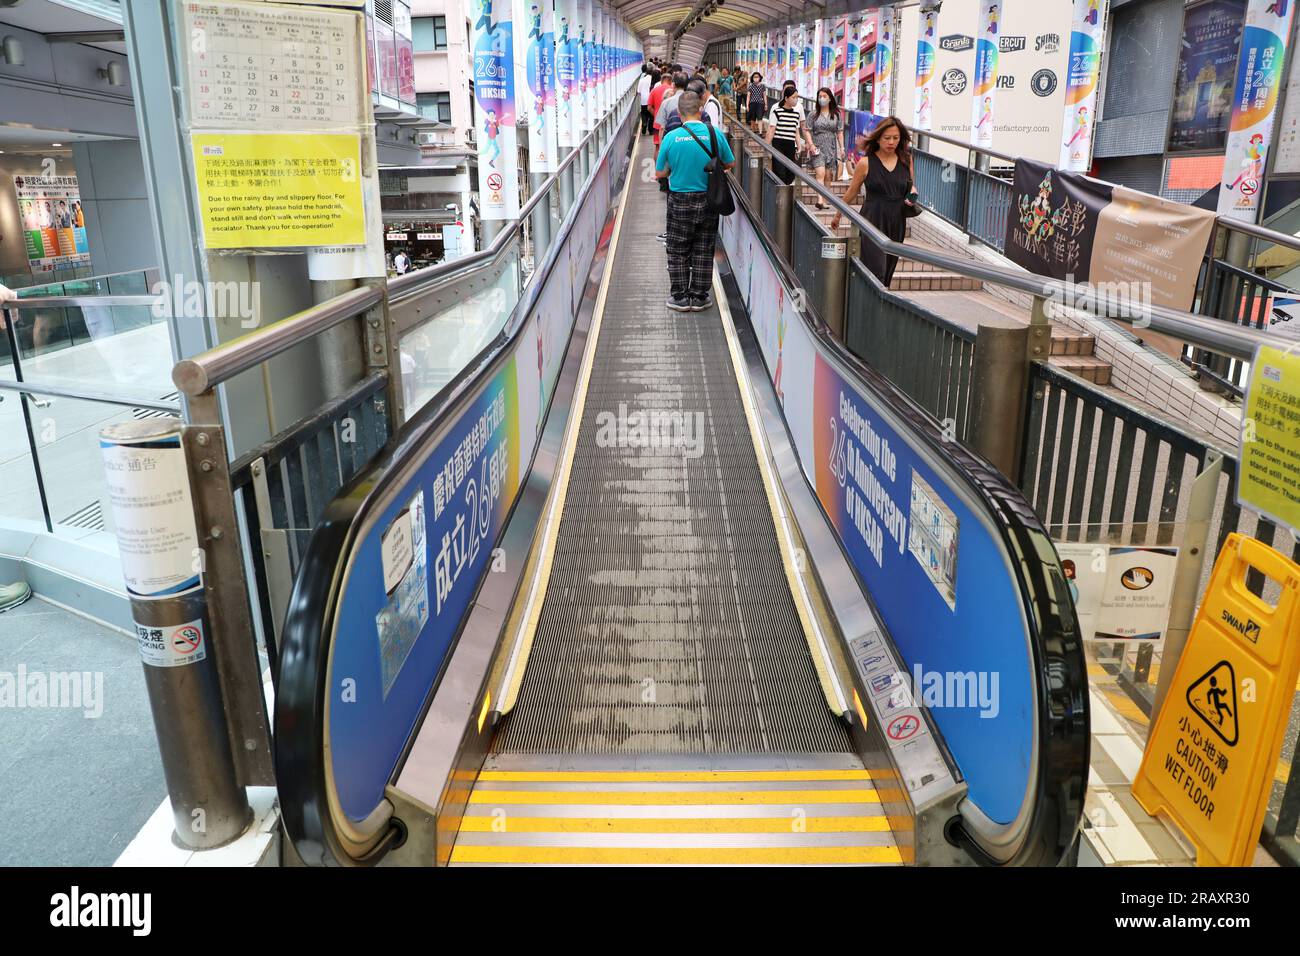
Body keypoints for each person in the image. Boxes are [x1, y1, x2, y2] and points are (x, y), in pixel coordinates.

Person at [655, 92, 736, 313]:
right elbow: (730, 163)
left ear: (679, 114)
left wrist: (674, 168)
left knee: (678, 247)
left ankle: (680, 297)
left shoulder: (671, 137)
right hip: (708, 198)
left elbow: (660, 172)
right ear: (700, 110)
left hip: (679, 200)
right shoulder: (714, 134)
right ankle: (700, 297)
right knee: (704, 246)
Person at [831, 116, 917, 286]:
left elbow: (911, 186)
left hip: (896, 221)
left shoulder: (906, 160)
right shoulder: (865, 163)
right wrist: (838, 214)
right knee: (876, 270)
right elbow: (852, 191)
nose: (891, 142)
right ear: (878, 138)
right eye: (887, 138)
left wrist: (912, 194)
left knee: (887, 274)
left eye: (896, 138)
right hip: (872, 219)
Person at [808, 87, 845, 208]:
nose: (822, 99)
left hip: (831, 147)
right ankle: (819, 200)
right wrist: (811, 145)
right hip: (817, 147)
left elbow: (839, 132)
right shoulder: (813, 114)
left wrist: (842, 148)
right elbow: (807, 130)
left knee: (828, 176)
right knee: (820, 173)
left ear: (830, 98)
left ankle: (824, 200)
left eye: (824, 96)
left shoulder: (836, 115)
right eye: (820, 96)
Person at [764, 84, 806, 186]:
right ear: (786, 98)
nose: (796, 100)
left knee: (790, 174)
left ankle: (784, 194)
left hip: (790, 144)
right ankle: (779, 195)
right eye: (793, 97)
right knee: (780, 172)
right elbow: (771, 129)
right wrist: (765, 145)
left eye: (797, 97)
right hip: (778, 143)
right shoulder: (777, 111)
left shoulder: (796, 113)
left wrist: (799, 146)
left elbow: (796, 131)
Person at [638, 66, 654, 135]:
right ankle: (650, 130)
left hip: (643, 99)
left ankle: (644, 124)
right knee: (651, 115)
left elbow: (638, 91)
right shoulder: (653, 80)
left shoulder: (642, 80)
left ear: (646, 72)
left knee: (644, 113)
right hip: (651, 99)